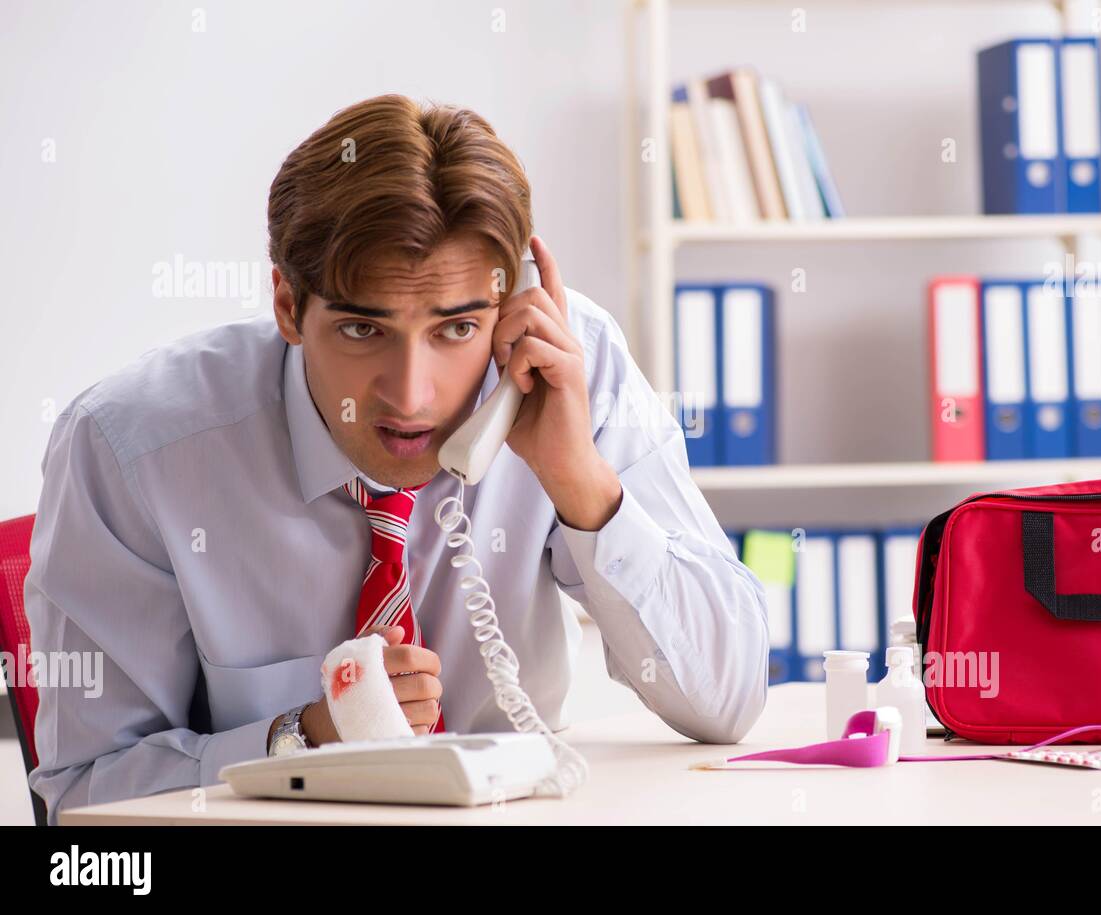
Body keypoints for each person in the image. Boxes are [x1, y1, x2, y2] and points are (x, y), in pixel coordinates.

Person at [25, 94, 769, 824]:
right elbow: (84, 798)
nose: (412, 396)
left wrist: (579, 478)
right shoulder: (130, 447)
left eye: (457, 328)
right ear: (287, 306)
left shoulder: (567, 369)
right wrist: (303, 741)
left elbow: (730, 699)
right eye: (362, 330)